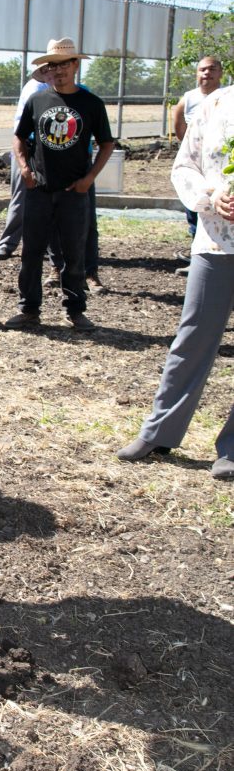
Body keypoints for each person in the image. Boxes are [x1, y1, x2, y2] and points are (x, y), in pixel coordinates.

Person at [117, 84, 234, 479]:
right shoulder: (217, 103)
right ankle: (159, 431)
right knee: (194, 336)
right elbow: (184, 165)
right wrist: (212, 194)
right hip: (217, 241)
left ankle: (232, 447)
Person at [5, 38, 114, 331]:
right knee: (32, 253)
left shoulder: (91, 104)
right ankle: (28, 309)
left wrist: (89, 179)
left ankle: (75, 310)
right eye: (52, 65)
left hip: (73, 192)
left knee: (73, 253)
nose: (58, 70)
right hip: (39, 189)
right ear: (47, 70)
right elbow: (19, 137)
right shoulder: (37, 100)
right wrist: (26, 170)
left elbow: (107, 144)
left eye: (64, 64)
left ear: (75, 65)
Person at [0, 63, 56, 258]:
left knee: (48, 197)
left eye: (52, 69)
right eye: (45, 69)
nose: (49, 73)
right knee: (21, 196)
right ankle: (8, 243)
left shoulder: (55, 89)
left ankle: (47, 244)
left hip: (47, 148)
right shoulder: (34, 89)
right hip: (28, 146)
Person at [172, 56, 224, 262]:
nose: (206, 74)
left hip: (222, 168)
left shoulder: (227, 97)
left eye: (212, 69)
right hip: (198, 168)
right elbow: (179, 129)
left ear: (220, 73)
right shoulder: (188, 99)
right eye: (202, 70)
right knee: (196, 207)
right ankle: (198, 256)